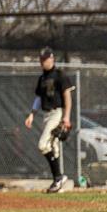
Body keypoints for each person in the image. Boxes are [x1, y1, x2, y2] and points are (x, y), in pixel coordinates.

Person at [23, 48, 75, 193]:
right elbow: (39, 98)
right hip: (46, 115)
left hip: (56, 113)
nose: (43, 62)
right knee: (54, 148)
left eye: (45, 59)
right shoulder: (42, 78)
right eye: (41, 59)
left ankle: (58, 177)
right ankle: (58, 184)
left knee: (43, 145)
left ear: (52, 59)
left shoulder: (59, 75)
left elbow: (67, 96)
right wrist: (32, 114)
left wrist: (66, 117)